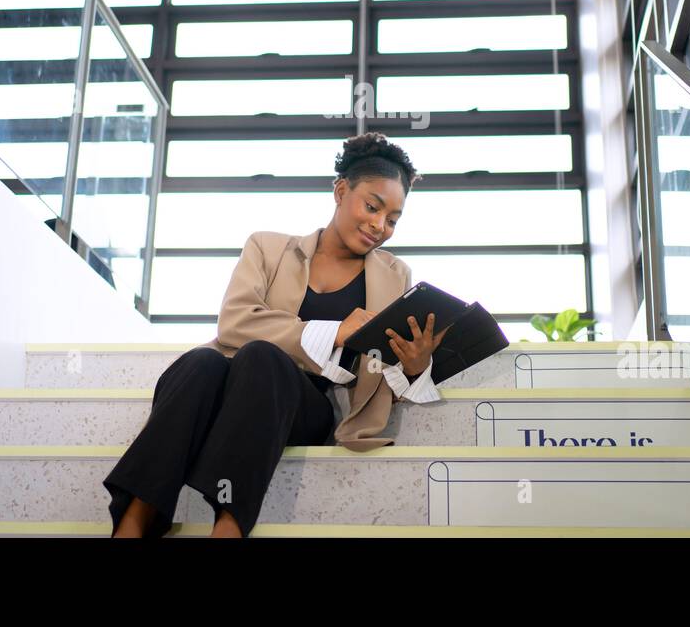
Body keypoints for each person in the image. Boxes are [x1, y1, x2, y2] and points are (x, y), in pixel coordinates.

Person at [103, 132, 448, 538]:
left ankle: (228, 529)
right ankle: (132, 524)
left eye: (392, 218)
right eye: (372, 207)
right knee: (202, 361)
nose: (380, 225)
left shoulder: (395, 276)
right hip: (225, 388)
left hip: (303, 407)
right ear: (340, 191)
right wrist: (334, 331)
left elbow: (383, 366)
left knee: (262, 357)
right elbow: (234, 323)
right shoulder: (268, 248)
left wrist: (416, 365)